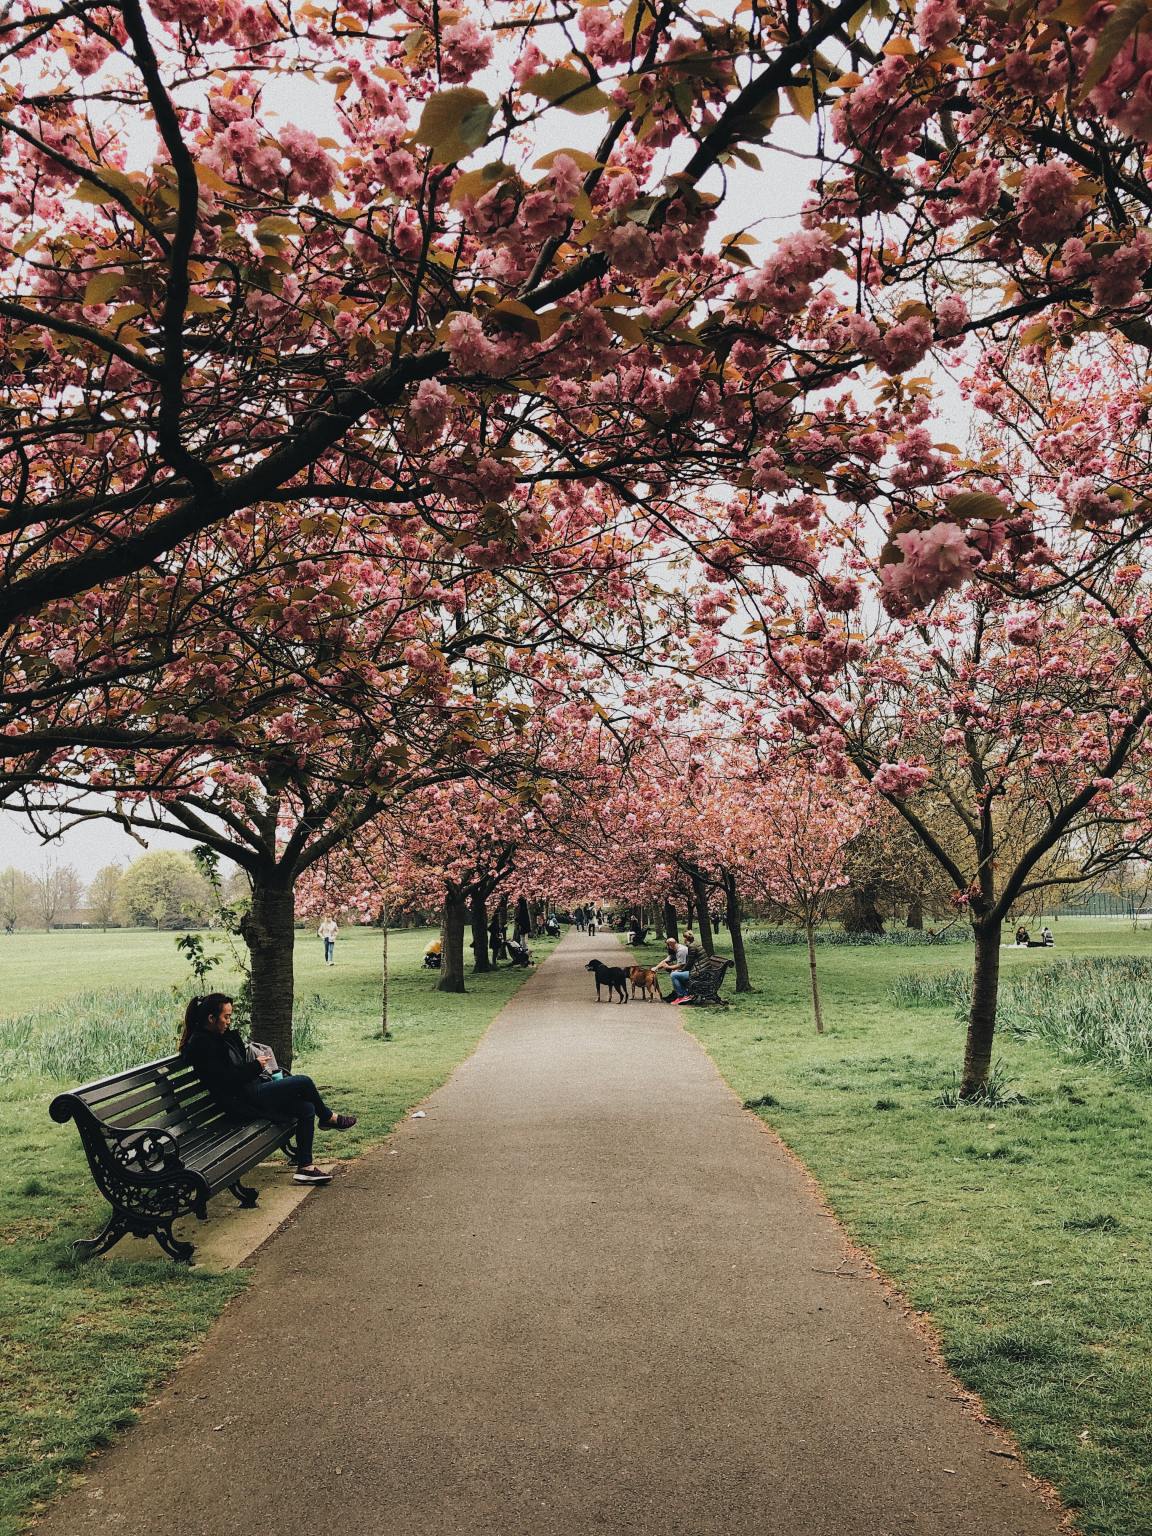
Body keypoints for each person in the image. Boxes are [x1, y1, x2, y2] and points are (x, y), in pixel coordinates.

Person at [179, 993, 356, 1185]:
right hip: (241, 1100)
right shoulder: (203, 1045)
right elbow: (227, 1079)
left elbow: (235, 1068)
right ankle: (328, 1118)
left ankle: (305, 1168)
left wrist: (248, 1057)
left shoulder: (219, 1037)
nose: (229, 1022)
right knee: (303, 1082)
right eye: (226, 1017)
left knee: (306, 1108)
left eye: (230, 1016)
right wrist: (255, 1066)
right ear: (211, 1019)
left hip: (250, 1091)